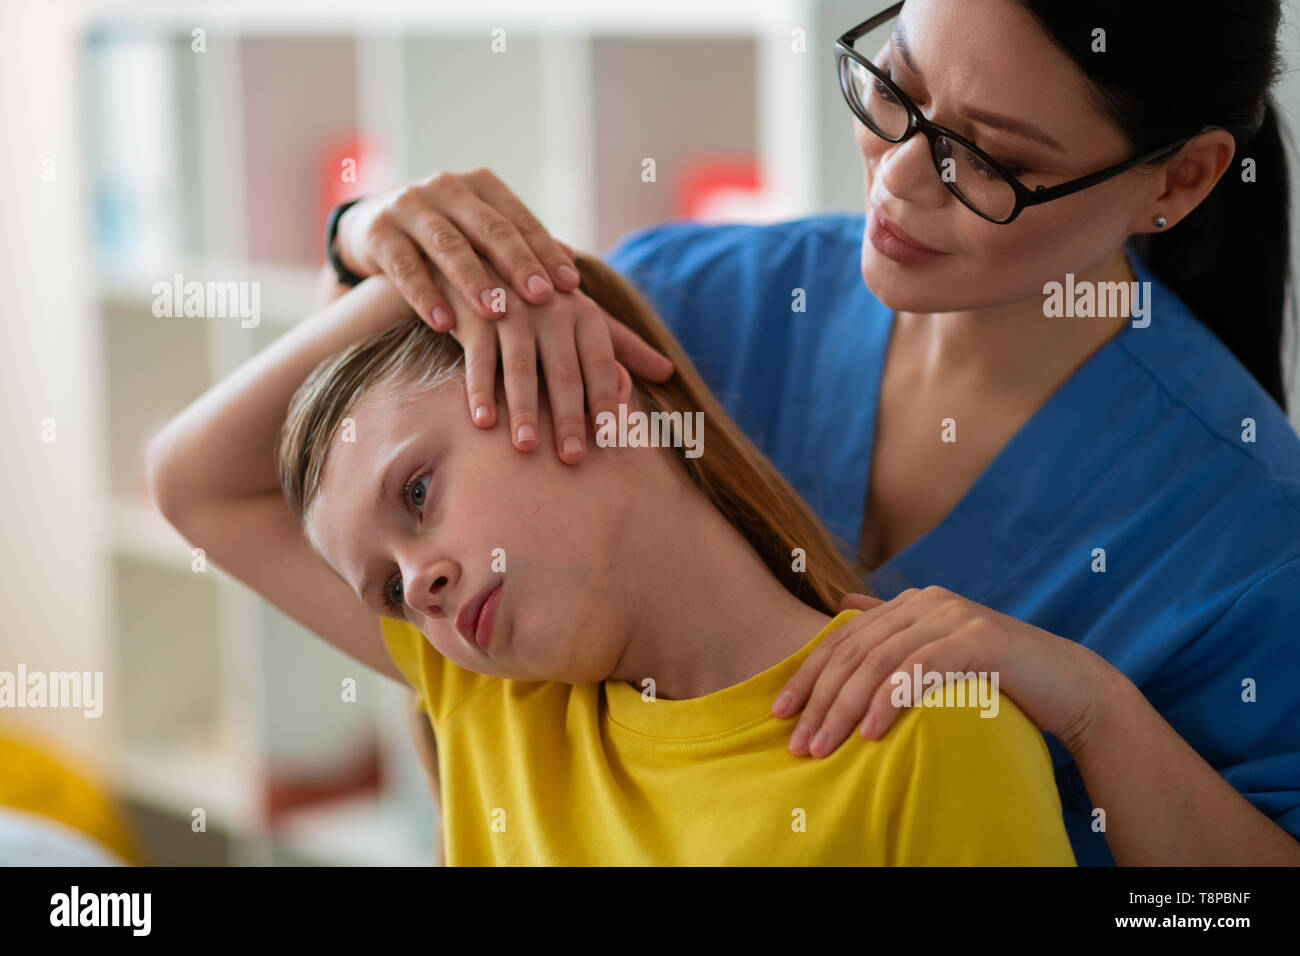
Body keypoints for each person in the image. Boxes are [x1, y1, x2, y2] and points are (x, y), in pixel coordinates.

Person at [321, 0, 1300, 865]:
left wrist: (1092, 709)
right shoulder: (672, 308)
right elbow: (282, 475)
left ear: (1178, 180)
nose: (899, 180)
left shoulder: (1251, 535)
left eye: (994, 159)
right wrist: (366, 240)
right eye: (898, 86)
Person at [144, 250, 1075, 866]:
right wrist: (395, 249)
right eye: (387, 591)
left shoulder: (927, 740)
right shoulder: (490, 694)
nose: (417, 586)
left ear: (575, 379)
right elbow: (193, 485)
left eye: (418, 493)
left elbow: (197, 485)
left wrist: (489, 273)